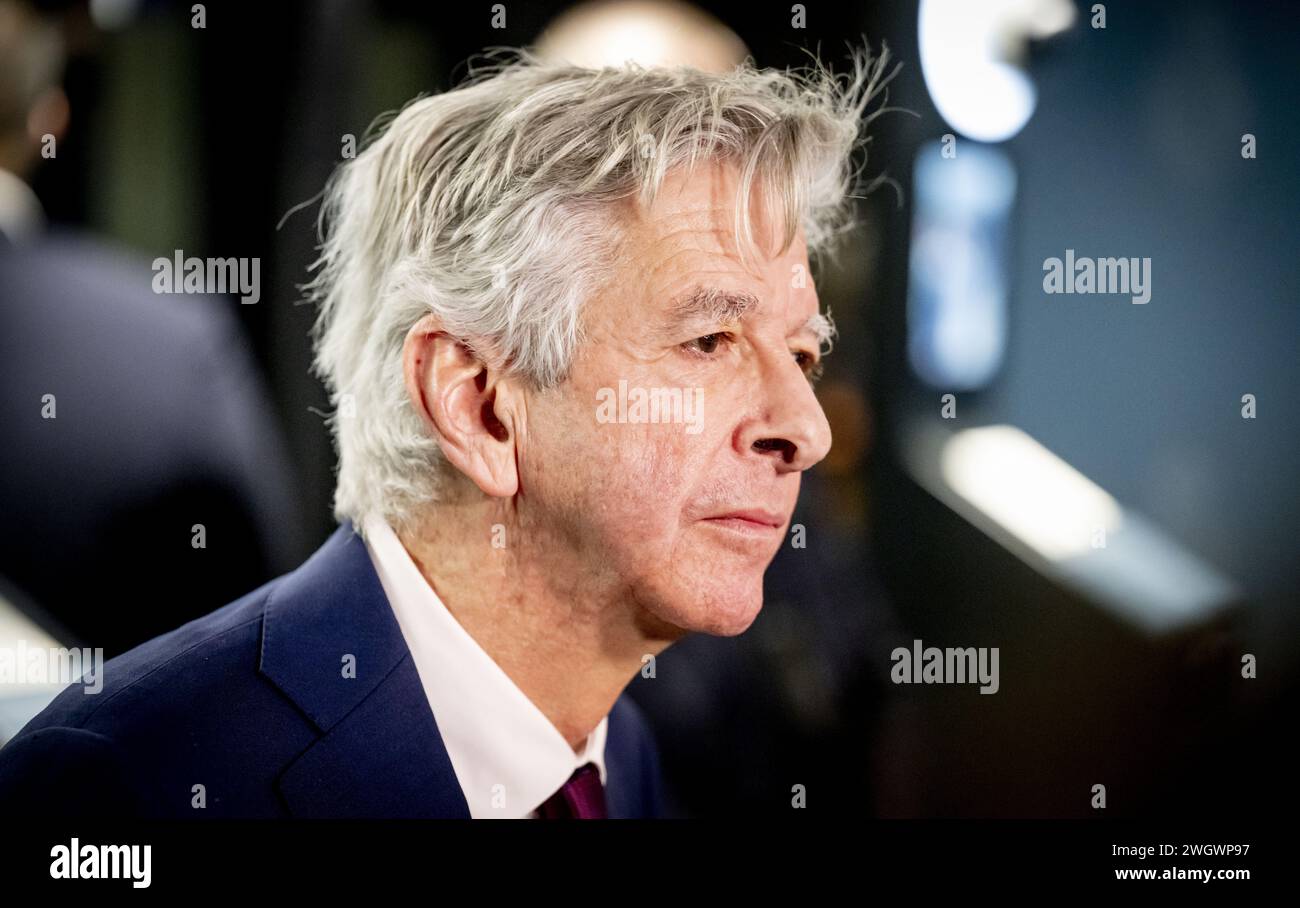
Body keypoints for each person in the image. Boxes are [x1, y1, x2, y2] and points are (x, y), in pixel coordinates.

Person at [0, 44, 891, 818]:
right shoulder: (124, 789)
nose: (805, 429)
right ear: (478, 404)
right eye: (711, 341)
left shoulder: (611, 748)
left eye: (804, 356)